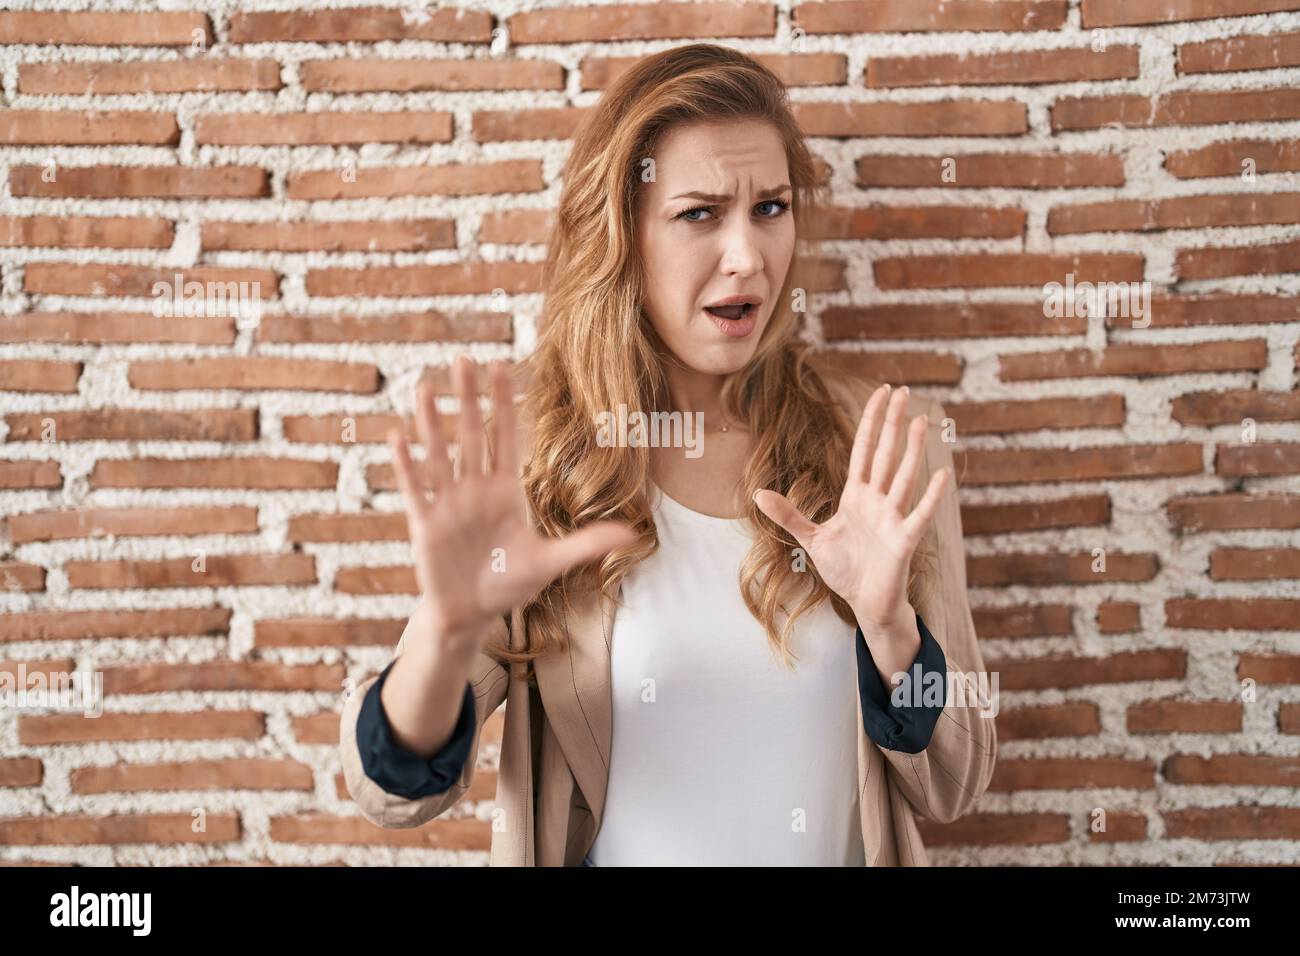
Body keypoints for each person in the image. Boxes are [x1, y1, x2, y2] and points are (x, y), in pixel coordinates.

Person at [338, 43, 996, 866]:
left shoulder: (885, 443)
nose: (749, 257)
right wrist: (444, 631)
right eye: (699, 214)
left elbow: (957, 781)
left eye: (771, 208)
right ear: (624, 235)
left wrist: (893, 630)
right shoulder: (538, 453)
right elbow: (397, 793)